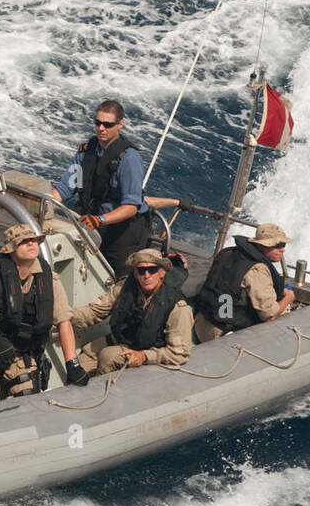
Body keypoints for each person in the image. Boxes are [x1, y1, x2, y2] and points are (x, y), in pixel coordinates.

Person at [50, 100, 194, 276]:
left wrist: (99, 220)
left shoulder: (129, 159)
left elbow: (131, 206)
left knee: (118, 279)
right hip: (90, 223)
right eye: (97, 123)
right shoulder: (86, 151)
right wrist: (44, 203)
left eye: (107, 124)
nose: (101, 128)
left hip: (122, 231)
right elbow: (65, 188)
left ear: (120, 125)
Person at [0, 223, 86, 406]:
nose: (31, 244)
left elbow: (64, 321)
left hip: (23, 351)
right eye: (24, 242)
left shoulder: (49, 279)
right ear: (11, 249)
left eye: (33, 240)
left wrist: (72, 363)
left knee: (29, 394)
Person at [70, 249, 193, 373]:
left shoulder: (177, 307)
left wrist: (144, 356)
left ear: (162, 272)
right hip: (124, 340)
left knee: (108, 357)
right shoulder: (124, 288)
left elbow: (179, 353)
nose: (146, 275)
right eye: (141, 270)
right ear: (135, 273)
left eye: (152, 270)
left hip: (149, 351)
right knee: (79, 363)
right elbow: (95, 311)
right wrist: (64, 315)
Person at [191, 223, 296, 342]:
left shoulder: (229, 253)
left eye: (284, 244)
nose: (282, 249)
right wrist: (288, 297)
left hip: (201, 323)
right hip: (222, 335)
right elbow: (269, 315)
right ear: (262, 245)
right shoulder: (257, 269)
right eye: (278, 245)